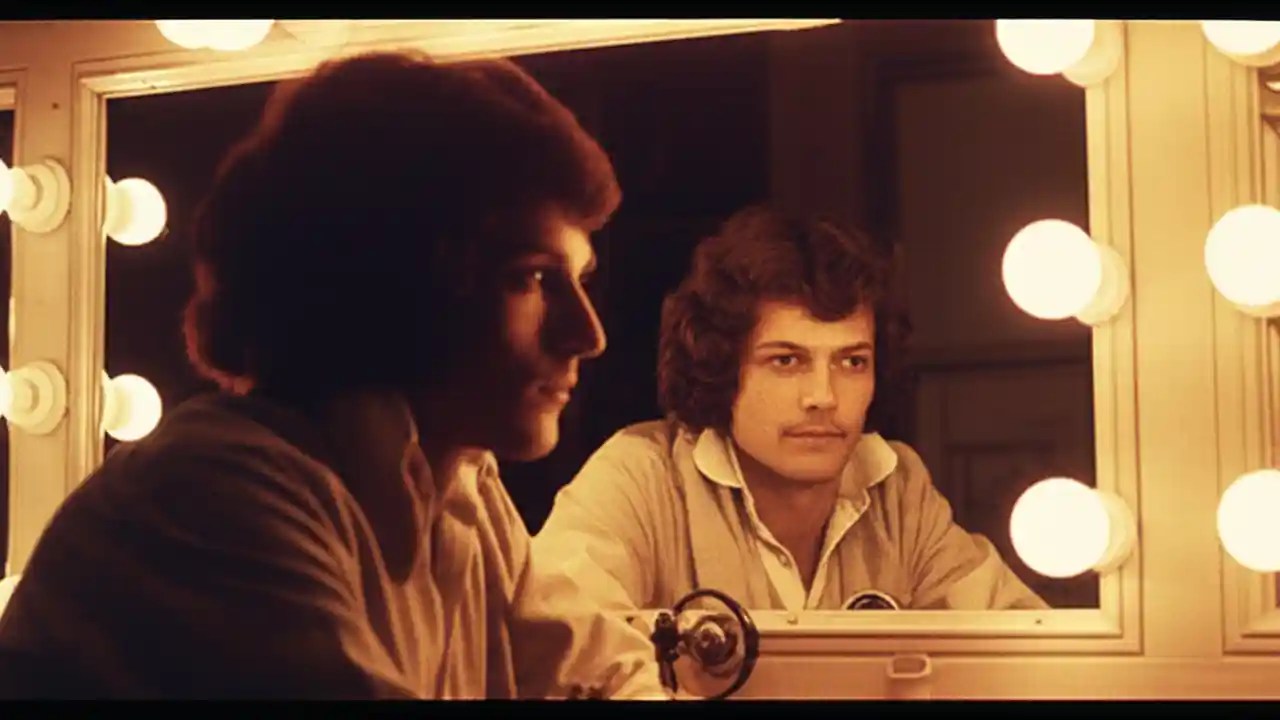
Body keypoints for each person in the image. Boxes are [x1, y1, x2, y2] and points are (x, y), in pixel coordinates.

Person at [0, 50, 668, 700]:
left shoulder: (464, 494)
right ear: (396, 282)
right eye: (531, 278)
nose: (589, 334)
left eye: (578, 280)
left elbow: (605, 671)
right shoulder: (211, 496)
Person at [533, 204, 1048, 613]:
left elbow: (1026, 651)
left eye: (851, 361)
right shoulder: (640, 477)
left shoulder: (898, 491)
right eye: (786, 360)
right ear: (722, 367)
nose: (822, 395)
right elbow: (552, 647)